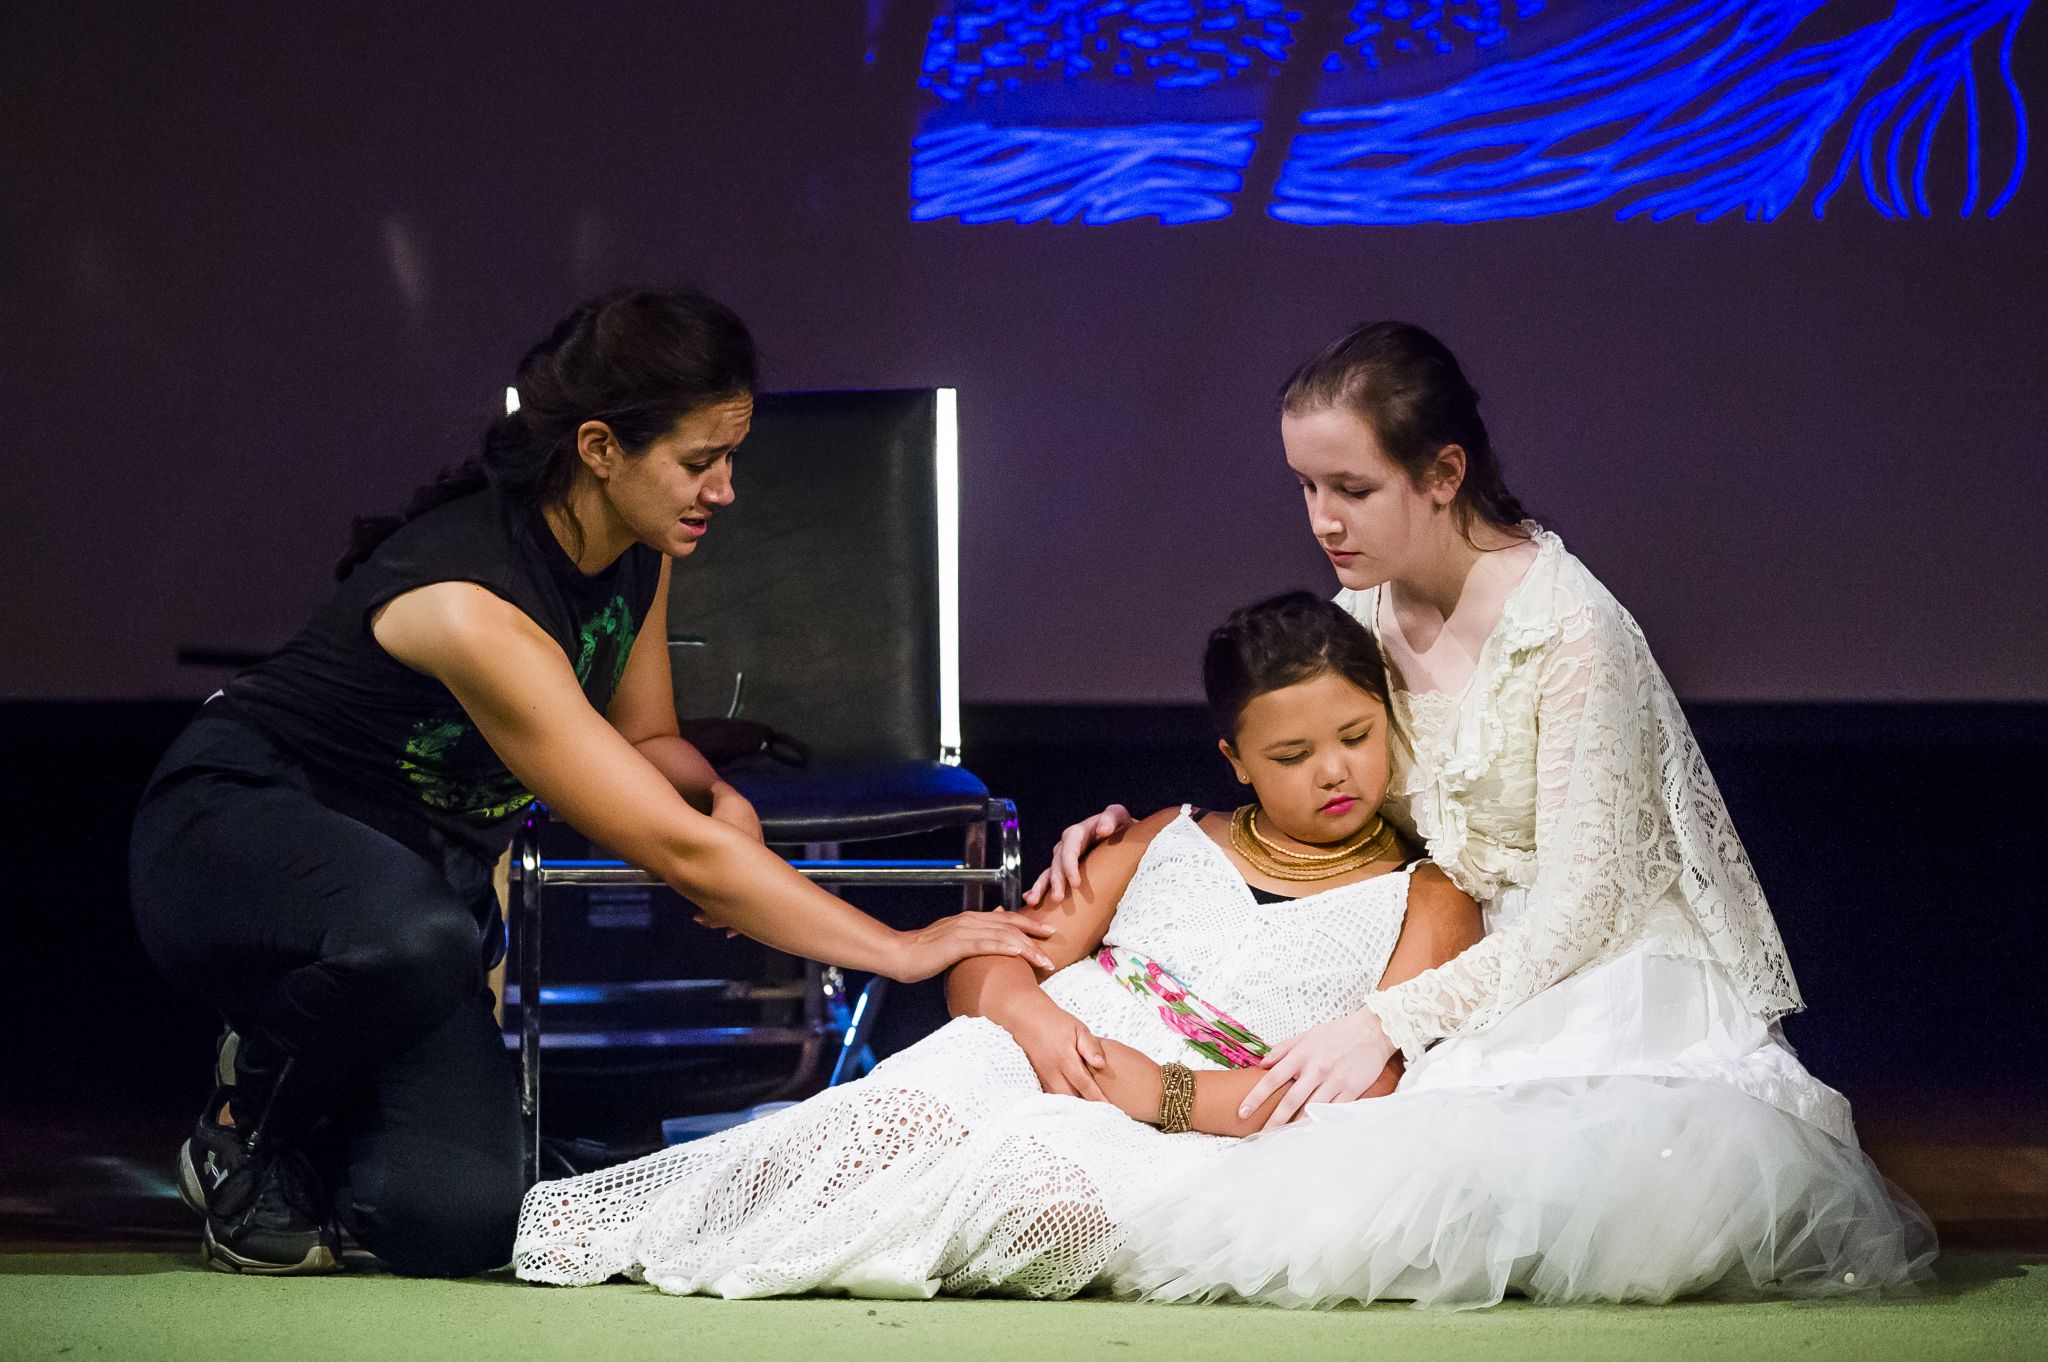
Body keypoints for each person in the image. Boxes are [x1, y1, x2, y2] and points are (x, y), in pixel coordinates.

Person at [128, 287, 1053, 1279]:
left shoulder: (632, 554)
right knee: (412, 936)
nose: (726, 491)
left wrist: (717, 800)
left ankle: (327, 1107)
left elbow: (649, 739)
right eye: (700, 462)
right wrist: (901, 947)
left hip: (411, 916)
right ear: (601, 448)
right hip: (239, 838)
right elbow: (672, 852)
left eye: (730, 458)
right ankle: (245, 1120)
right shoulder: (470, 602)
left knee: (458, 1223)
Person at [1035, 321, 1935, 1305]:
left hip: (1591, 976)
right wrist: (1136, 836)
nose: (1322, 521)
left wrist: (1390, 1020)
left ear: (1442, 472)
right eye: (1305, 487)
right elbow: (1295, 775)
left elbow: (1579, 907)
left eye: (1351, 489)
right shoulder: (1363, 614)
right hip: (1441, 954)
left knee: (1441, 1186)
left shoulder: (1570, 630)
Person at [511, 593, 1482, 1298]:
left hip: (1210, 1120)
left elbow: (1374, 1081)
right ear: (1231, 757)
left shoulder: (1425, 894)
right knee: (898, 1113)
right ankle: (655, 1222)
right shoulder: (1164, 832)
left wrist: (1161, 1091)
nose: (1332, 772)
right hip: (1047, 1048)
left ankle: (815, 1252)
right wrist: (1026, 1011)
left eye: (1355, 736)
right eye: (1289, 756)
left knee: (1035, 1189)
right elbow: (992, 955)